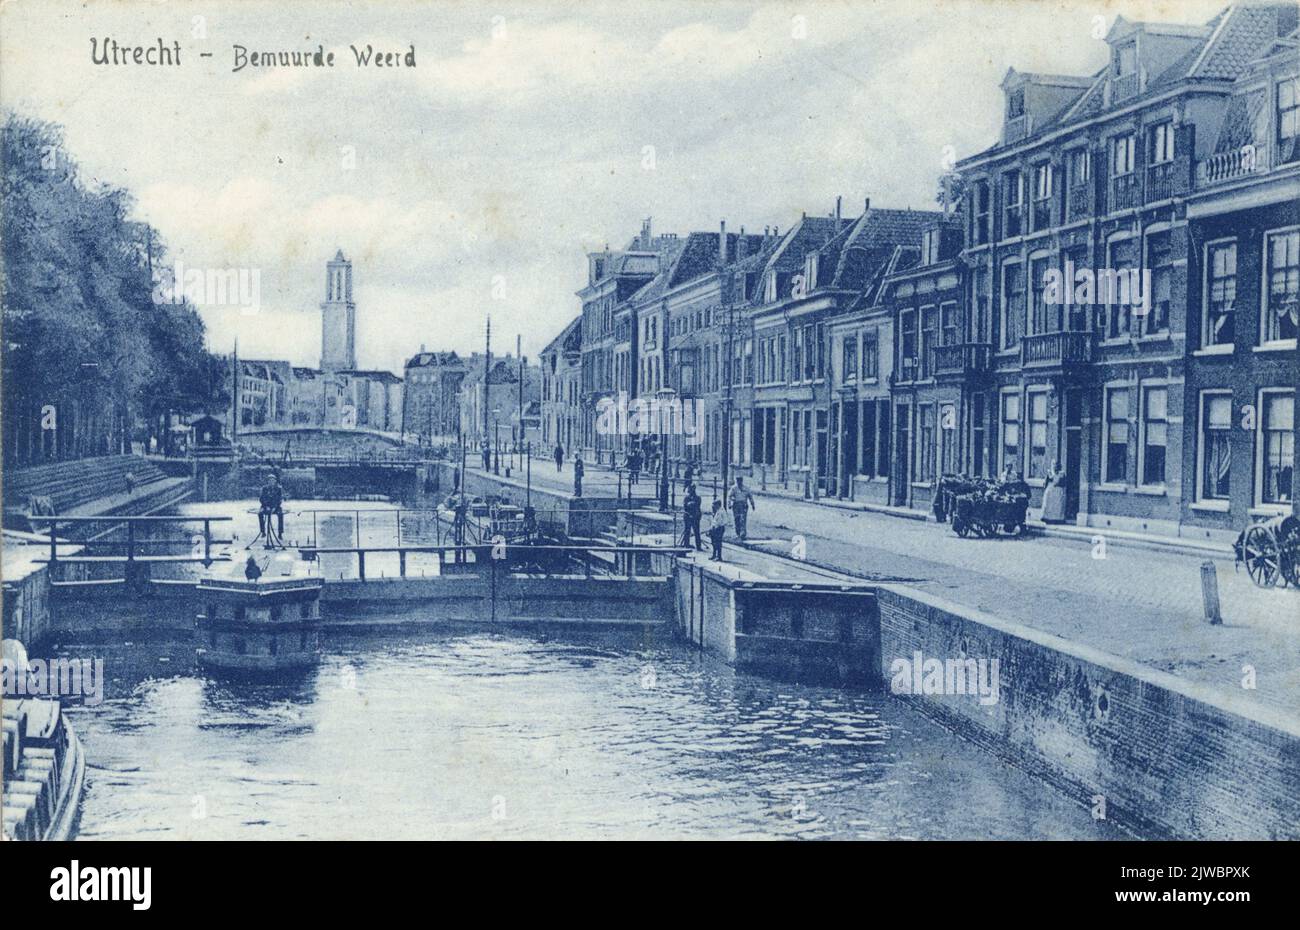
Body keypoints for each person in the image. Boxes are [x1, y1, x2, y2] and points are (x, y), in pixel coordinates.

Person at [258, 472, 284, 549]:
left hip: (276, 507)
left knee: (280, 514)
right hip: (265, 506)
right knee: (260, 513)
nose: (271, 482)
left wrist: (274, 507)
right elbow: (261, 498)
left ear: (275, 481)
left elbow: (279, 500)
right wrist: (266, 506)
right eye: (269, 480)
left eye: (273, 480)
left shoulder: (279, 489)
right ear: (268, 481)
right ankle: (263, 531)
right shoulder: (264, 488)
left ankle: (280, 533)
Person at [730, 476, 755, 541]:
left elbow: (750, 497)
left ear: (742, 481)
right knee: (736, 519)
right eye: (738, 481)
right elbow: (730, 496)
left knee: (743, 519)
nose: (739, 482)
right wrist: (730, 503)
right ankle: (738, 533)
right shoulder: (733, 488)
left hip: (743, 505)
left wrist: (753, 504)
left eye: (740, 481)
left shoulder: (746, 488)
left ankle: (743, 534)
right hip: (736, 505)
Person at [681, 482, 702, 550]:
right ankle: (686, 544)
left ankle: (698, 546)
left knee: (696, 532)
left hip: (695, 517)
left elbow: (697, 506)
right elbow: (685, 507)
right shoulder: (686, 498)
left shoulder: (698, 498)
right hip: (688, 516)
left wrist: (691, 504)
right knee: (687, 531)